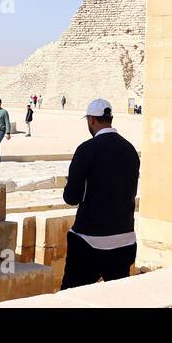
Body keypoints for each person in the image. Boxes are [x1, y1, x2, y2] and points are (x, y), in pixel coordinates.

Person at [60, 99, 140, 290]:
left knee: (71, 296)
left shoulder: (86, 150)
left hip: (90, 240)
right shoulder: (130, 150)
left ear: (91, 120)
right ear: (110, 119)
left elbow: (71, 198)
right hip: (125, 239)